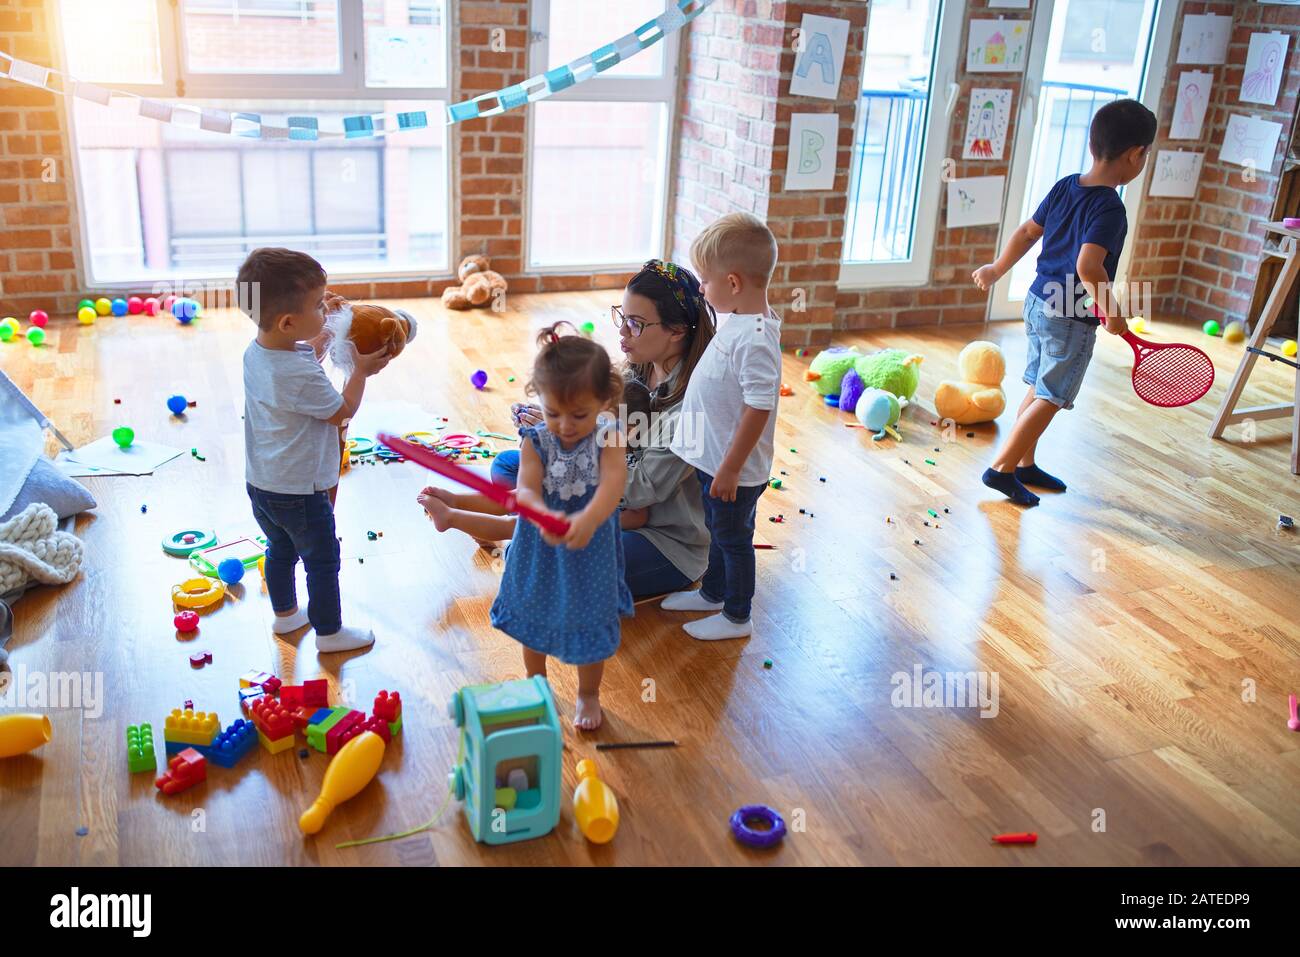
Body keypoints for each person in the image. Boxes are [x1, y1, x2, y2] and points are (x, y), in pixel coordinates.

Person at [421, 261, 716, 598]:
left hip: (659, 535)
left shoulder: (693, 404)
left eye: (635, 324)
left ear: (676, 330)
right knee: (507, 465)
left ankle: (517, 534)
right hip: (609, 500)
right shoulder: (639, 368)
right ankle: (520, 531)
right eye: (622, 317)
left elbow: (642, 491)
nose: (622, 333)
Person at [444, 325, 632, 730]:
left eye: (579, 414)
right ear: (539, 400)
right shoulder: (535, 440)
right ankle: (537, 684)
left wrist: (586, 518)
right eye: (552, 412)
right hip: (539, 545)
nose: (564, 425)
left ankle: (588, 693)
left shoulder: (610, 438)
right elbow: (525, 488)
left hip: (590, 544)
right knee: (532, 614)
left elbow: (614, 485)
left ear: (604, 400)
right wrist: (535, 512)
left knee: (591, 618)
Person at [972, 98, 1157, 506]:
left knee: (1040, 388)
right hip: (1069, 316)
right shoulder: (1110, 207)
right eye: (1146, 154)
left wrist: (996, 269)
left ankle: (1023, 464)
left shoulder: (1065, 185)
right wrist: (1113, 312)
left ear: (1094, 146)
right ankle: (1000, 470)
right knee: (1052, 396)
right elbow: (1089, 267)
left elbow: (1025, 232)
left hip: (1038, 302)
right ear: (1135, 154)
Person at [238, 247, 389, 653]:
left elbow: (304, 364)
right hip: (301, 491)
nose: (327, 311)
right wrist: (361, 372)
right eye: (320, 306)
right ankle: (329, 632)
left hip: (262, 484)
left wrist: (322, 333)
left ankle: (286, 615)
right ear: (289, 322)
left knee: (280, 549)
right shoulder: (298, 371)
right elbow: (341, 412)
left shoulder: (261, 352)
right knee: (323, 560)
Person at [662, 213, 782, 642]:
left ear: (733, 284)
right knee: (719, 531)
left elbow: (758, 407)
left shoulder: (756, 339)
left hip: (733, 470)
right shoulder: (741, 324)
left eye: (704, 280)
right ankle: (713, 592)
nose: (700, 288)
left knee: (733, 538)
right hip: (715, 461)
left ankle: (737, 616)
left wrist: (731, 468)